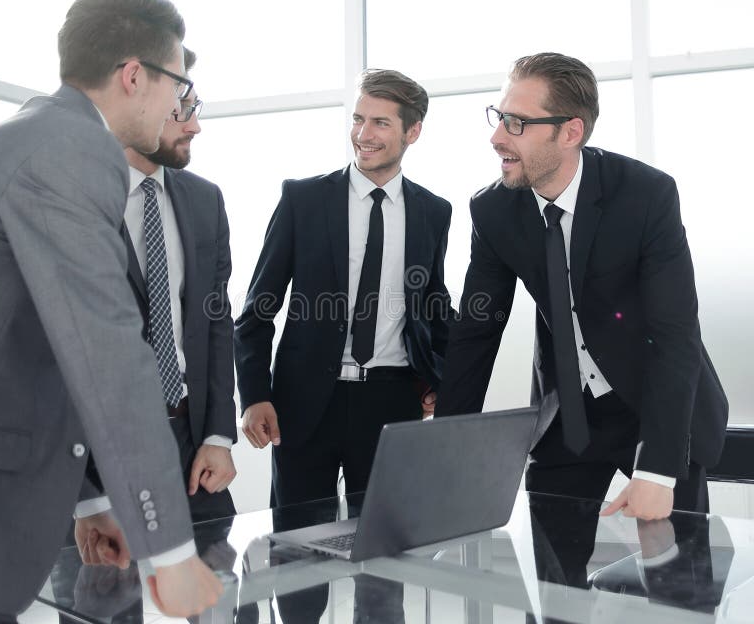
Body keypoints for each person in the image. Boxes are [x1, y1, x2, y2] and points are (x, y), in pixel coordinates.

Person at [0, 0, 222, 622]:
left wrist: (91, 504)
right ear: (135, 75)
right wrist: (173, 553)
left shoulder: (37, 134)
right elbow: (108, 357)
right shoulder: (76, 151)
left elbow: (38, 348)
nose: (180, 106)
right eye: (177, 86)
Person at [436, 52, 728, 521]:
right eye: (498, 118)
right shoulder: (492, 210)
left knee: (679, 584)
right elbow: (476, 333)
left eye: (516, 123)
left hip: (656, 409)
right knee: (552, 584)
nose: (496, 138)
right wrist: (443, 451)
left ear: (570, 132)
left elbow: (676, 334)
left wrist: (656, 470)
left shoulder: (646, 195)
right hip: (567, 418)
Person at [234, 68, 452, 508]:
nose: (362, 134)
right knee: (297, 553)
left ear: (413, 131)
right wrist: (254, 394)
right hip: (305, 402)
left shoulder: (434, 211)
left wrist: (438, 378)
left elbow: (433, 304)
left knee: (384, 561)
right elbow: (258, 309)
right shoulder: (303, 200)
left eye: (380, 123)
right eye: (358, 119)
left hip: (391, 404)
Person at [120, 46, 237, 522]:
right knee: (103, 595)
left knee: (227, 593)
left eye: (193, 109)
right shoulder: (77, 197)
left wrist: (217, 436)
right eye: (180, 110)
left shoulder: (204, 199)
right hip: (108, 452)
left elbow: (216, 322)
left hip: (193, 445)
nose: (194, 125)